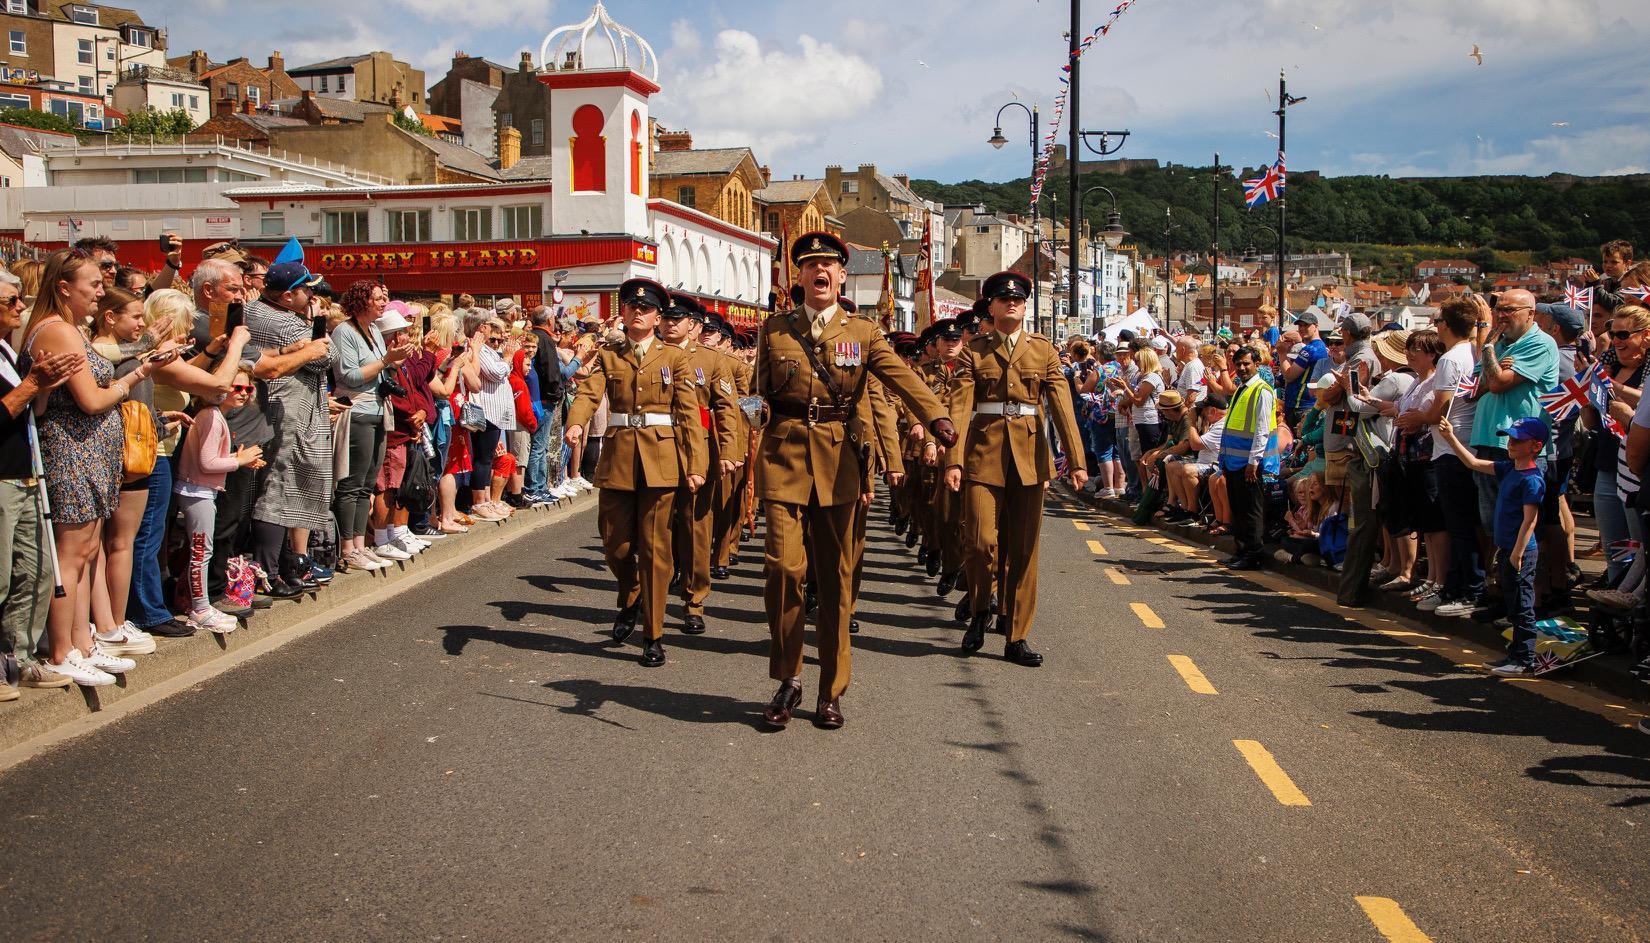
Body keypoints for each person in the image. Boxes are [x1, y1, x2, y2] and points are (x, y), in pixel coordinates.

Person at [756, 232, 952, 729]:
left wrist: (935, 417)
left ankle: (830, 688)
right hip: (783, 457)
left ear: (841, 276)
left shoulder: (861, 332)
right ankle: (789, 678)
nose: (819, 271)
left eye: (828, 265)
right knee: (782, 569)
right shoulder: (774, 329)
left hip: (839, 460)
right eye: (809, 265)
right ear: (797, 276)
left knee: (839, 579)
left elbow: (900, 379)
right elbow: (756, 393)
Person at [23, 249, 166, 686]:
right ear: (64, 288)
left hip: (89, 451)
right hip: (71, 450)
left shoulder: (70, 329)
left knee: (86, 553)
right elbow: (91, 399)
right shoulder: (57, 331)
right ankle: (62, 649)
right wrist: (132, 378)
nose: (101, 293)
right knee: (71, 555)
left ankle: (82, 642)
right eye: (94, 286)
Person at [945, 270, 1087, 664]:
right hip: (982, 455)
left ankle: (1015, 634)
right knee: (978, 541)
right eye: (1004, 299)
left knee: (1022, 549)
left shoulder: (1042, 350)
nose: (1012, 303)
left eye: (1019, 300)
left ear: (1025, 307)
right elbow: (959, 409)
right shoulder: (974, 351)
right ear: (991, 307)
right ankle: (979, 608)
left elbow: (1062, 406)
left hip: (1028, 458)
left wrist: (1076, 461)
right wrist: (953, 460)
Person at [565, 278, 705, 667]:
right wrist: (576, 423)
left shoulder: (674, 357)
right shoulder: (609, 354)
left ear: (658, 316)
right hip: (620, 457)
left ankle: (653, 633)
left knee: (657, 548)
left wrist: (695, 465)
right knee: (615, 543)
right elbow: (589, 393)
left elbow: (689, 416)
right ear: (623, 313)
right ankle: (631, 593)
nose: (637, 312)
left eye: (645, 308)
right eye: (631, 307)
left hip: (661, 462)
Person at [242, 239, 337, 596]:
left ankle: (282, 566)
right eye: (305, 291)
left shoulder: (260, 312)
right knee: (279, 488)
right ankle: (270, 571)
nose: (311, 297)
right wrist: (314, 335)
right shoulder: (285, 323)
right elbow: (327, 358)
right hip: (288, 411)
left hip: (281, 408)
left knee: (280, 487)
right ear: (286, 296)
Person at [0, 274, 80, 694]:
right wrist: (33, 383)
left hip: (26, 473)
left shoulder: (8, 352)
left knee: (36, 571)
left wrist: (43, 386)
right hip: (2, 479)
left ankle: (21, 658)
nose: (20, 307)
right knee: (0, 576)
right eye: (12, 300)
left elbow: (32, 411)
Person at [1437, 417, 1546, 675]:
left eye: (1518, 441)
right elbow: (1473, 462)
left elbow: (1530, 520)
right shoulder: (1509, 469)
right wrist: (1451, 437)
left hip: (1521, 552)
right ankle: (1516, 654)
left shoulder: (1531, 479)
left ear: (1536, 446)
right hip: (1509, 549)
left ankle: (1524, 659)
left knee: (1522, 606)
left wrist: (1518, 553)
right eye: (1510, 439)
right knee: (1514, 605)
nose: (1511, 444)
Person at [661, 295, 738, 635]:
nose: (669, 324)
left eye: (677, 318)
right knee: (659, 523)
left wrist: (729, 451)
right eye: (664, 317)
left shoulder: (712, 360)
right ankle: (658, 582)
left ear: (693, 324)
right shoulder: (651, 354)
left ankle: (695, 599)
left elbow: (728, 407)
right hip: (657, 447)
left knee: (696, 524)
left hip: (699, 447)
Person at [174, 367, 264, 632]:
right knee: (201, 552)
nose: (243, 394)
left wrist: (241, 461)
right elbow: (207, 462)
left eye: (248, 389)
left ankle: (202, 606)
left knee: (203, 551)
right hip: (197, 491)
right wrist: (239, 460)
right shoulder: (212, 417)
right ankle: (200, 608)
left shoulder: (215, 416)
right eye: (236, 388)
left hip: (202, 490)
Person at [1218, 346, 1275, 570]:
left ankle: (1253, 554)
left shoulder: (1262, 390)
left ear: (1257, 364)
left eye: (1246, 364)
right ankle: (1241, 550)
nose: (1242, 368)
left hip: (1250, 464)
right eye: (1238, 364)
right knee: (1238, 508)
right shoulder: (1242, 389)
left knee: (1251, 510)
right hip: (1234, 461)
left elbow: (1261, 430)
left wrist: (1253, 461)